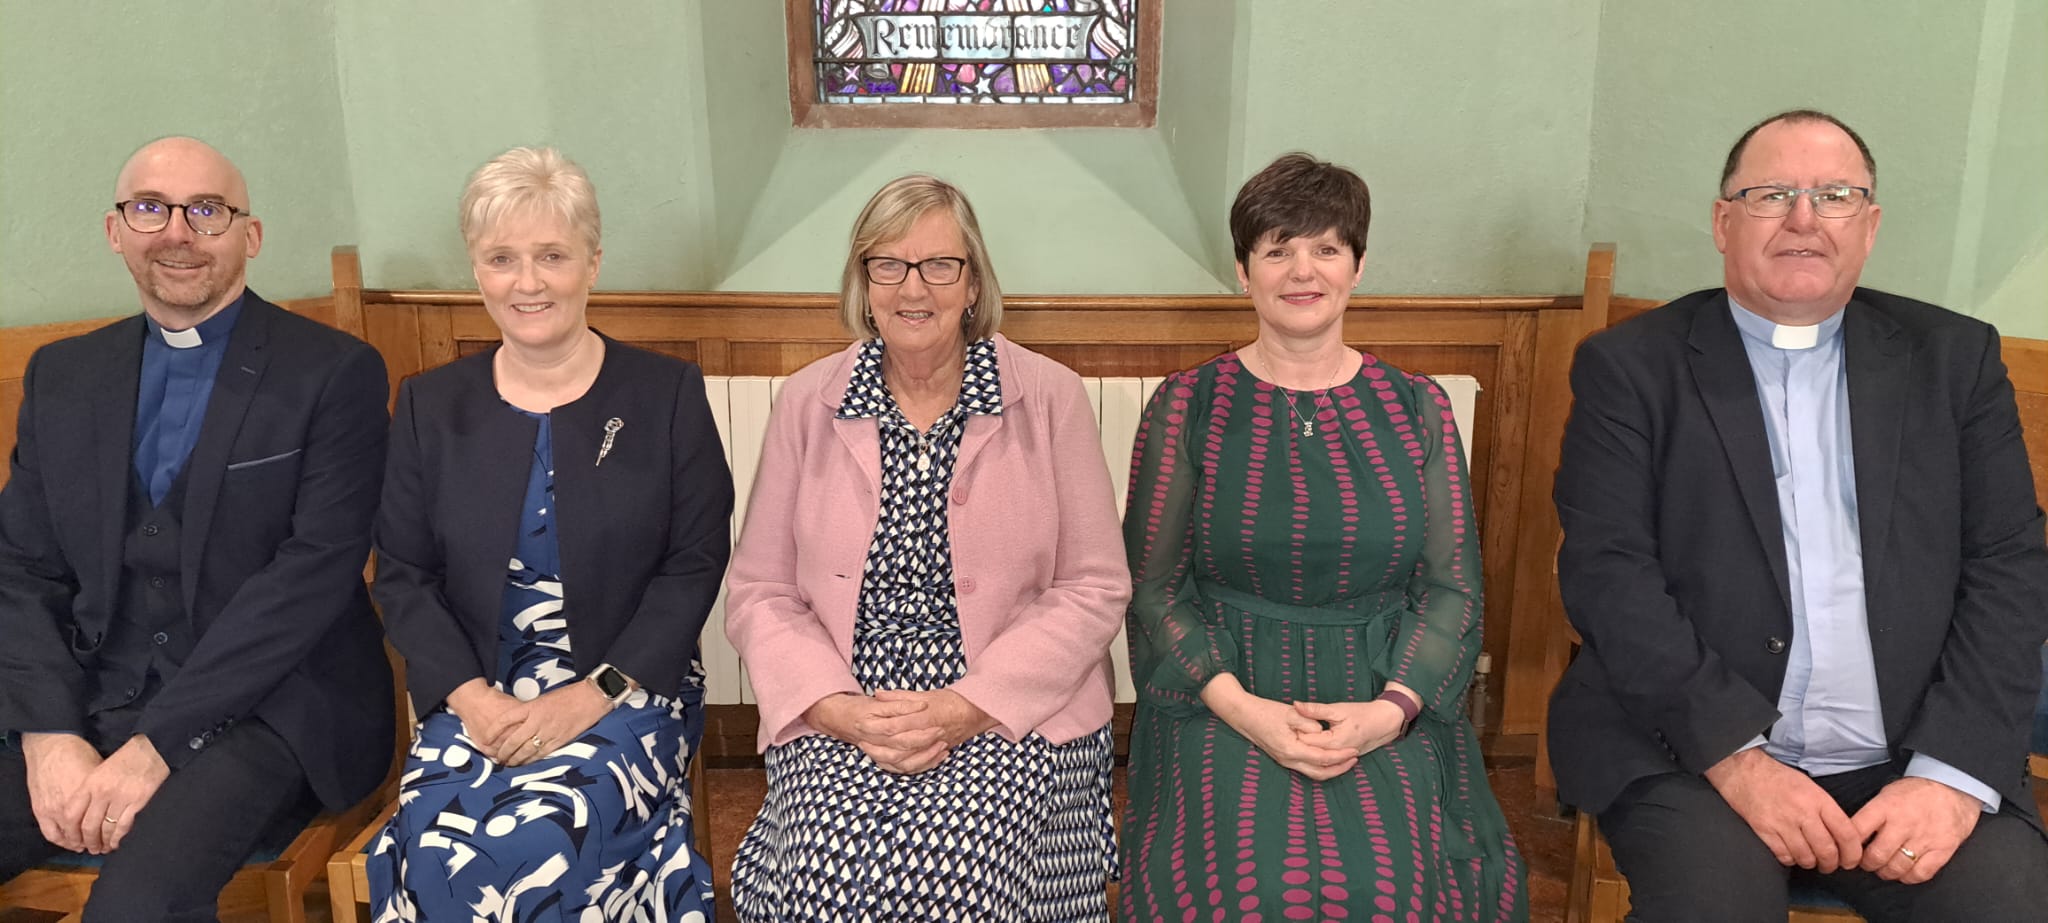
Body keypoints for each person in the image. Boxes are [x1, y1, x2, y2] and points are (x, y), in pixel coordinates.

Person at [1550, 109, 2048, 920]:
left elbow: (2009, 566)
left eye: (1836, 195)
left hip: (1910, 753)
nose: (1805, 219)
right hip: (1694, 750)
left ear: (1871, 224)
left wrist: (1949, 776)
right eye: (1771, 194)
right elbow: (1609, 576)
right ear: (1723, 222)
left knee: (2003, 905)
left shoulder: (1954, 361)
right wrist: (1738, 760)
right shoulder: (1632, 368)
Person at [1121, 152, 1526, 921]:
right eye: (1277, 248)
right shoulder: (1187, 405)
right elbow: (1154, 584)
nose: (1302, 269)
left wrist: (1392, 709)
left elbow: (1452, 587)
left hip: (1379, 687)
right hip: (1225, 692)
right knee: (1254, 892)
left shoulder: (1418, 408)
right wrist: (1243, 707)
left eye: (1326, 248)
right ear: (1244, 271)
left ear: (1358, 265)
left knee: (1383, 893)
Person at [0, 136, 393, 922]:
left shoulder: (333, 371)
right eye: (150, 208)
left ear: (248, 235)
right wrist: (48, 733)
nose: (177, 232)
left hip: (270, 708)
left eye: (206, 210)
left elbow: (309, 578)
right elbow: (22, 569)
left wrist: (155, 747)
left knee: (139, 904)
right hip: (87, 698)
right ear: (116, 230)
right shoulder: (61, 376)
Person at [723, 174, 1129, 921]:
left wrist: (967, 705)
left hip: (1008, 702)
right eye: (889, 264)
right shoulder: (809, 402)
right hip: (847, 698)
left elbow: (1096, 586)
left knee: (966, 876)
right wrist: (834, 706)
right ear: (864, 281)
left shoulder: (1049, 396)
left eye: (940, 264)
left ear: (973, 282)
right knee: (822, 870)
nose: (915, 287)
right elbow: (760, 591)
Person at [365, 147, 731, 921]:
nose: (527, 282)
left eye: (552, 256)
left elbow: (694, 563)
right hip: (476, 692)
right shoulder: (432, 406)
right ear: (476, 271)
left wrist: (588, 697)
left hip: (625, 687)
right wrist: (471, 700)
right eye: (502, 258)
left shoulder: (665, 394)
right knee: (436, 845)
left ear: (593, 263)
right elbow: (402, 571)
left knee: (548, 832)